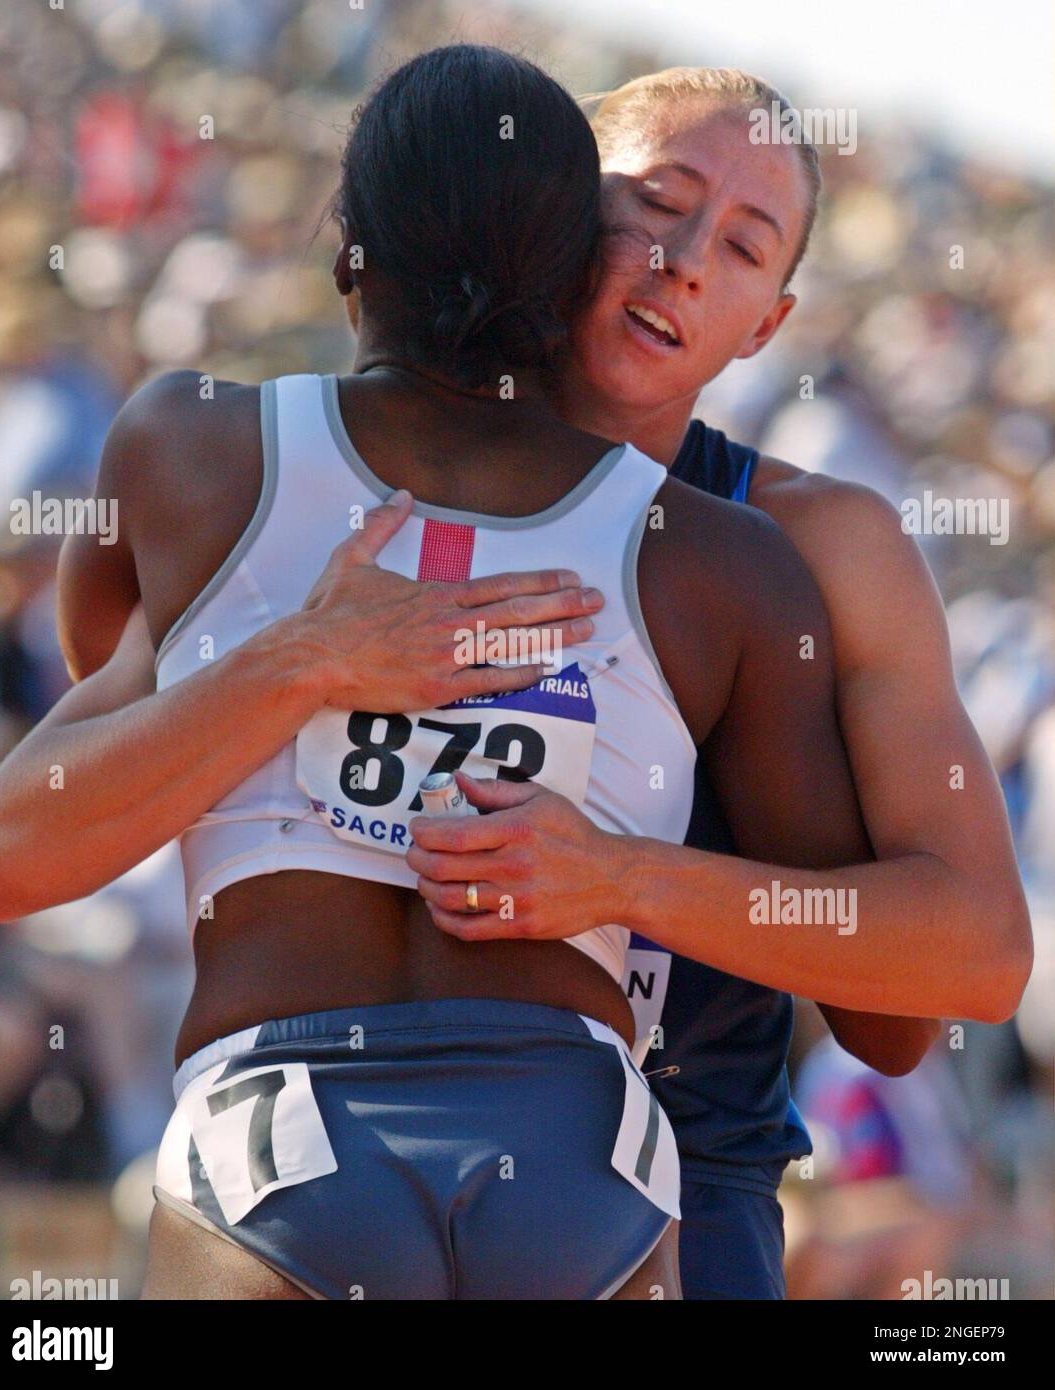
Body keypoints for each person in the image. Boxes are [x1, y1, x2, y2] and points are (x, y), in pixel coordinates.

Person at [0, 46, 877, 1300]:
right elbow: (885, 1003)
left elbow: (9, 852)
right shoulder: (724, 563)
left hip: (275, 1143)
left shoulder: (193, 447)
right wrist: (624, 870)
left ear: (346, 246)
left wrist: (296, 668)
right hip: (577, 1159)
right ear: (570, 270)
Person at [403, 68, 1031, 1298]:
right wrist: (285, 665)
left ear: (765, 324)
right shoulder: (360, 466)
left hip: (677, 1195)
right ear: (558, 207)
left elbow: (967, 962)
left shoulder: (823, 543)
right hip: (359, 1166)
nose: (685, 260)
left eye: (741, 247)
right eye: (656, 202)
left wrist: (621, 880)